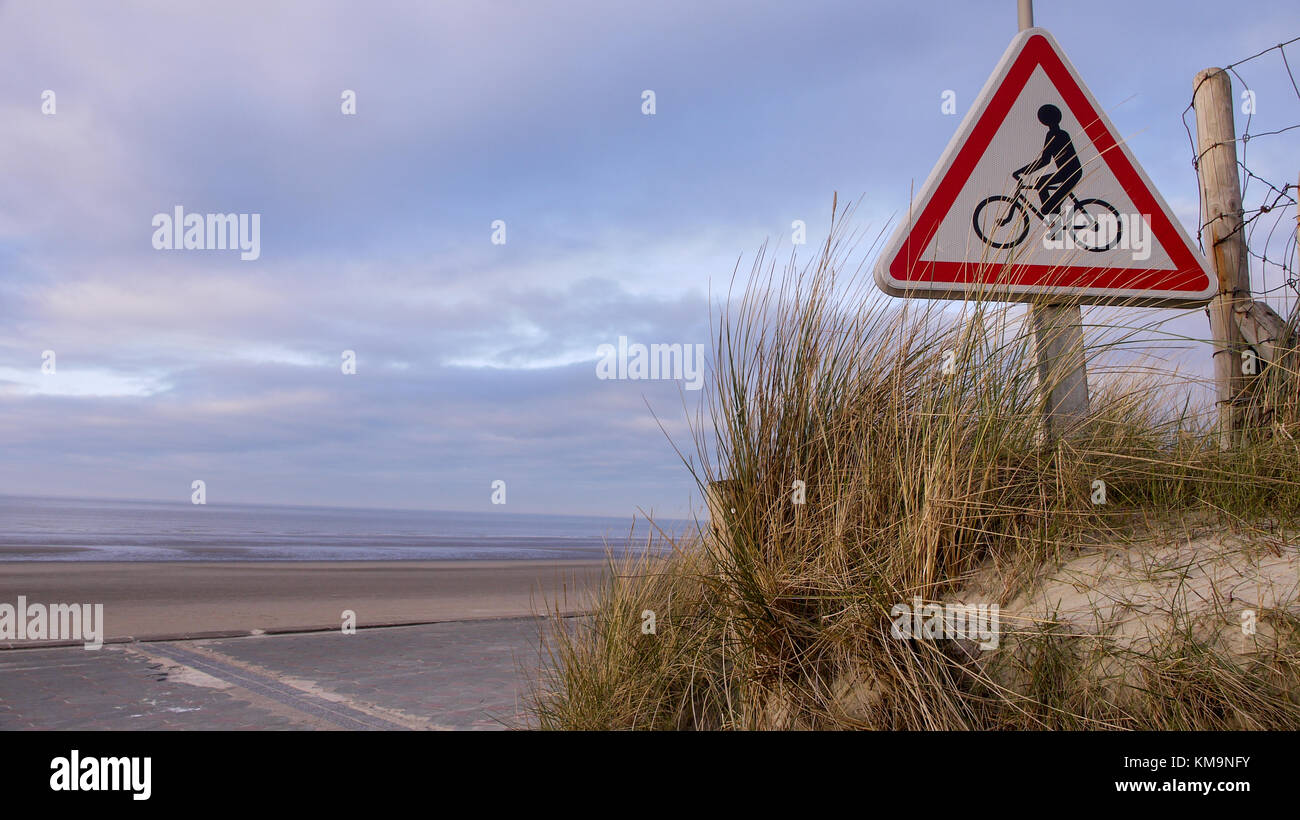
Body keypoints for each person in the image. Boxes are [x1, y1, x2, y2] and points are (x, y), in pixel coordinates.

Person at [1013, 103, 1082, 218]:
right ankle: (1052, 214)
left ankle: (1051, 213)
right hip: (1066, 173)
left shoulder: (1055, 135)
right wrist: (1024, 171)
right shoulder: (1060, 133)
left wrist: (1022, 171)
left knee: (1046, 201)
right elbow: (1045, 160)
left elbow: (1045, 160)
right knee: (1041, 183)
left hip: (1071, 174)